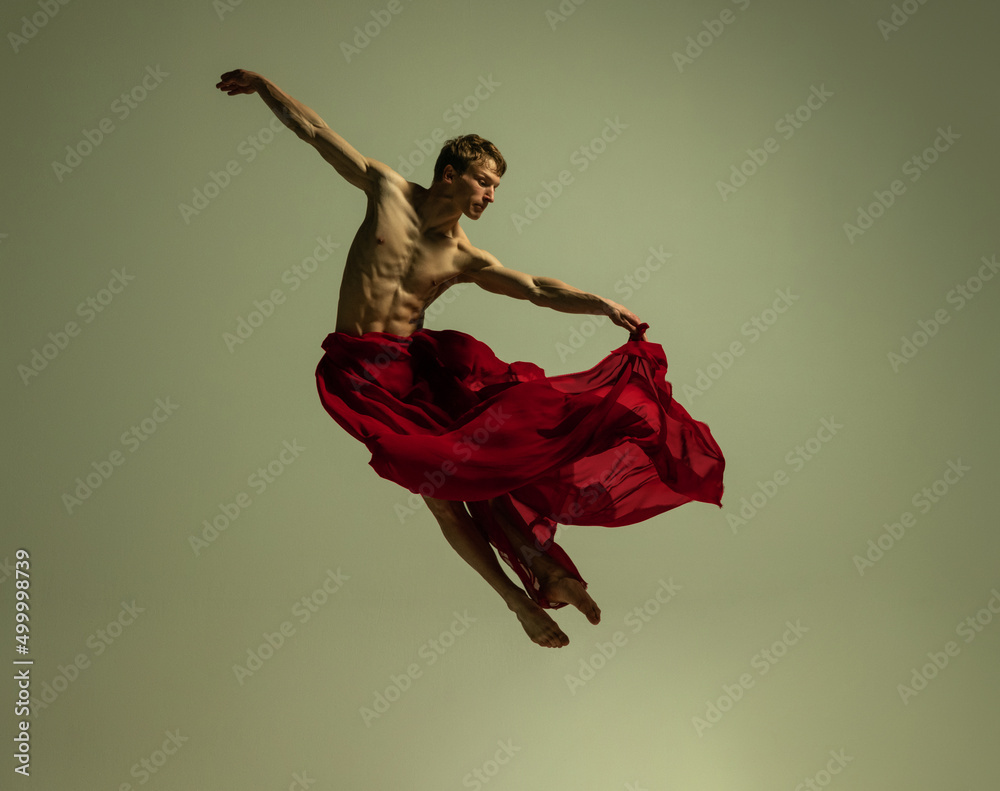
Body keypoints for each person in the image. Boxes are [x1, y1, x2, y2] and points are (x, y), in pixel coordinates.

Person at [216, 69, 725, 648]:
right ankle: (525, 598)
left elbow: (535, 286)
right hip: (357, 376)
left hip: (413, 373)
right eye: (484, 182)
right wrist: (263, 87)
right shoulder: (385, 189)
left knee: (466, 483)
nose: (490, 195)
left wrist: (602, 304)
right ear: (450, 175)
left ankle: (543, 578)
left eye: (496, 187)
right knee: (445, 497)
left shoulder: (463, 255)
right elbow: (314, 130)